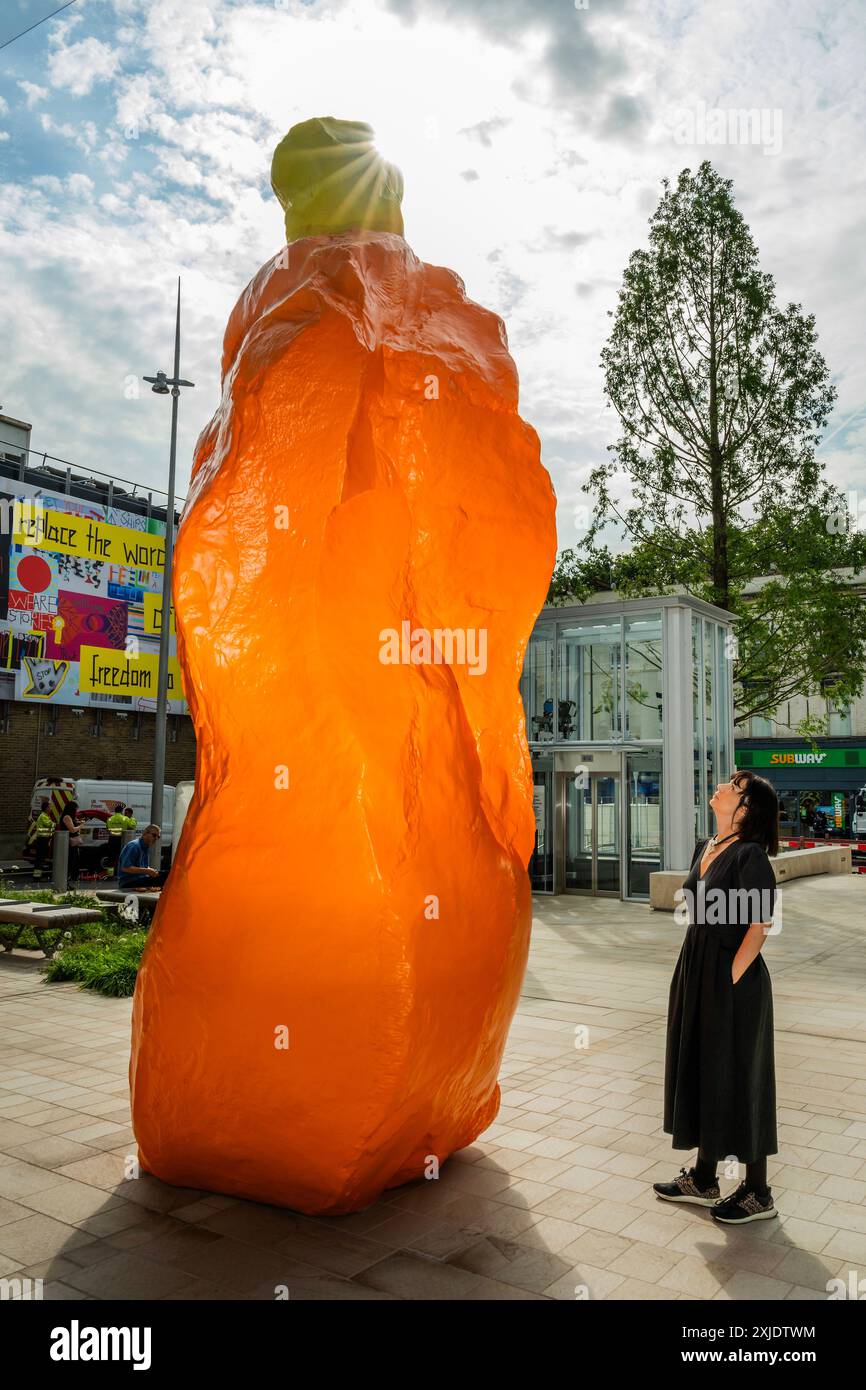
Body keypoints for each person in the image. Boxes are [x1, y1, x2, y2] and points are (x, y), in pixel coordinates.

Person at [655, 768, 780, 1224]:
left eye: (734, 787)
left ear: (746, 810)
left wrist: (728, 977)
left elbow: (759, 926)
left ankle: (758, 1191)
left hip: (734, 980)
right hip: (696, 969)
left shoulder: (750, 856)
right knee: (701, 1067)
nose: (723, 787)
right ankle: (705, 1179)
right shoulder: (707, 846)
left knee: (741, 1074)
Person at [118, 824, 169, 891]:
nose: (156, 838)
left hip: (139, 879)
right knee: (165, 879)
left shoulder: (145, 847)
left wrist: (152, 871)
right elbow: (125, 868)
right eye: (154, 835)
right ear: (145, 833)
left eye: (158, 837)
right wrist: (148, 871)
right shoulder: (134, 846)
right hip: (128, 882)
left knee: (167, 874)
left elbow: (143, 867)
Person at [60, 801, 85, 888]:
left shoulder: (71, 817)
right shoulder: (67, 817)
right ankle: (65, 883)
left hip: (73, 844)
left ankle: (68, 881)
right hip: (69, 843)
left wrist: (78, 823)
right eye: (76, 809)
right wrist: (80, 826)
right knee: (69, 863)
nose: (76, 811)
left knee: (74, 863)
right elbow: (72, 830)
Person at [33, 799, 54, 879]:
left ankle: (37, 876)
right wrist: (57, 824)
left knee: (40, 859)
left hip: (43, 840)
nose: (51, 808)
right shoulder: (43, 816)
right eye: (49, 807)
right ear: (46, 808)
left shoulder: (45, 816)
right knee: (40, 859)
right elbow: (50, 825)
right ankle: (37, 877)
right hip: (42, 841)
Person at [105, 805, 127, 877]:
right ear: (121, 811)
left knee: (111, 857)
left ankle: (110, 874)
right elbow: (132, 826)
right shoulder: (125, 818)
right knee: (121, 856)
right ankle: (119, 873)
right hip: (121, 839)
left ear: (115, 811)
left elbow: (107, 828)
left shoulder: (110, 819)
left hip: (112, 839)